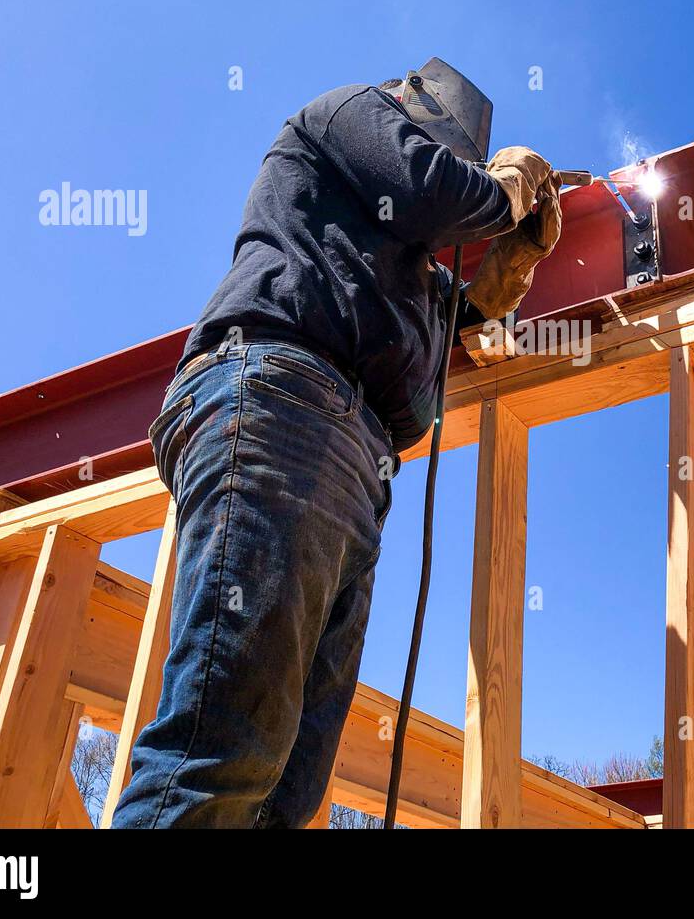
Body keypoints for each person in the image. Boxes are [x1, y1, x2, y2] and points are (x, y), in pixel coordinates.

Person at [111, 59, 560, 828]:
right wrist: (506, 185)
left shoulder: (405, 266)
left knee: (286, 789)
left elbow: (459, 322)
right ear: (409, 114)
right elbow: (429, 189)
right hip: (285, 402)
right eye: (450, 153)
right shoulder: (347, 111)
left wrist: (508, 269)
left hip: (354, 465)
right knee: (220, 751)